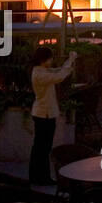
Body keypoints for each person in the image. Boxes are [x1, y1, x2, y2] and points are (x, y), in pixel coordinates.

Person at [29, 47, 77, 185]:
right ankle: (41, 178)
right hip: (44, 115)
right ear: (43, 59)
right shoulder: (40, 74)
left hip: (43, 113)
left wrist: (68, 63)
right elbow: (59, 76)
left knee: (40, 148)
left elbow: (58, 71)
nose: (52, 61)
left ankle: (38, 177)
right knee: (42, 149)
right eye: (50, 58)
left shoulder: (40, 71)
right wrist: (71, 60)